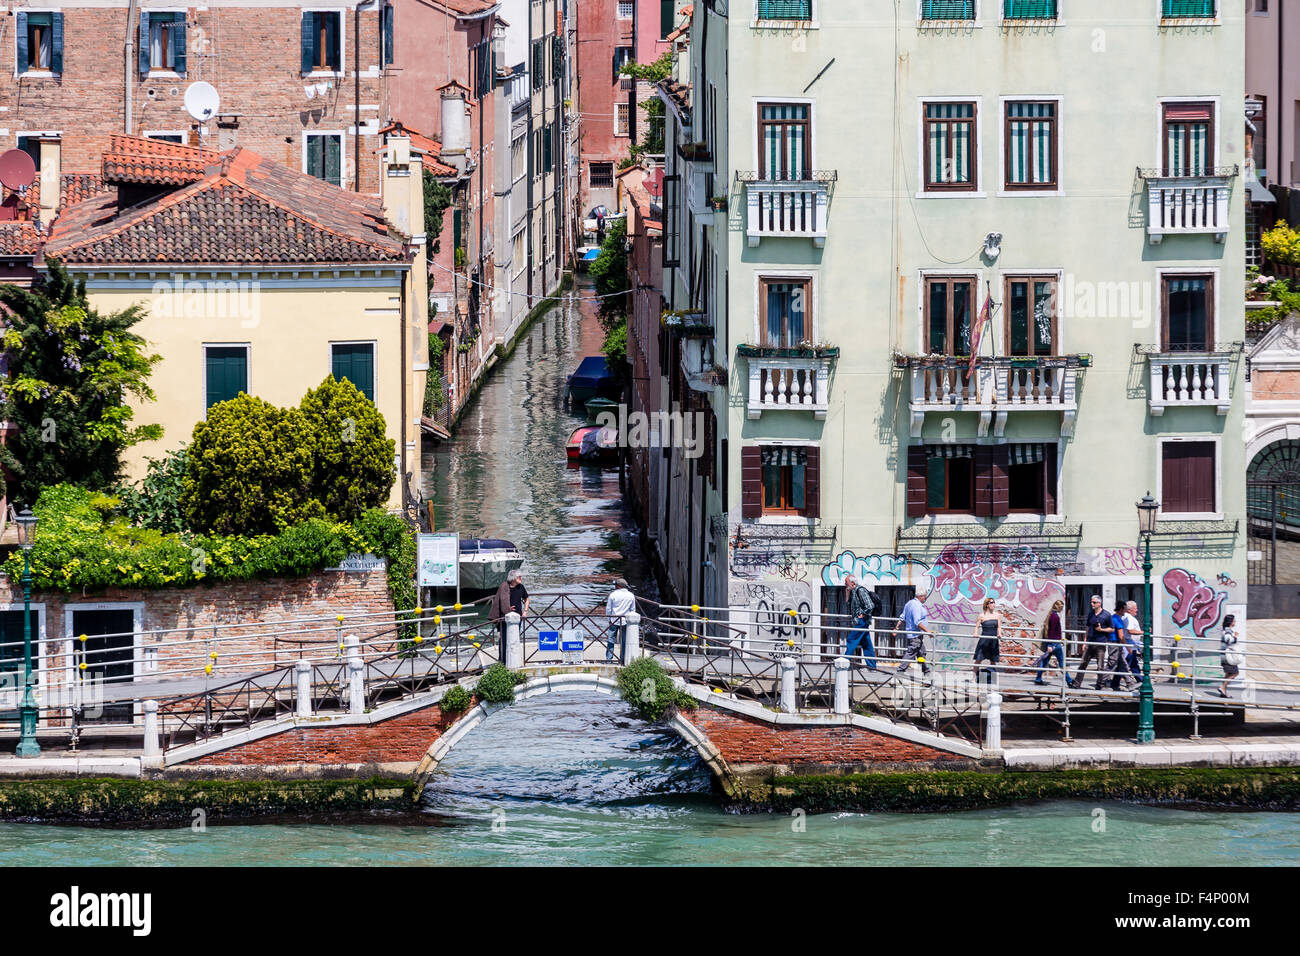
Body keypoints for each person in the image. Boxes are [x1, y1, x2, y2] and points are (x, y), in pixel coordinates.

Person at [1070, 595, 1115, 689]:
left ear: (1099, 603)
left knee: (1100, 666)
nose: (1092, 604)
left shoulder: (1106, 614)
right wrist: (1084, 642)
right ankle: (1076, 684)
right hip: (1090, 642)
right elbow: (1087, 627)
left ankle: (1099, 685)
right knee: (1083, 664)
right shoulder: (1091, 613)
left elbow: (1112, 629)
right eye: (1091, 602)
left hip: (1100, 643)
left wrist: (1101, 629)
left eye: (1094, 602)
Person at [843, 575, 881, 671]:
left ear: (852, 583)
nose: (845, 584)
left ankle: (844, 663)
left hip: (862, 621)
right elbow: (848, 604)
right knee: (866, 644)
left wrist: (863, 614)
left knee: (851, 640)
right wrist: (847, 593)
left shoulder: (860, 590)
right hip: (860, 621)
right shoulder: (853, 591)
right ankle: (871, 667)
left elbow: (870, 605)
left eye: (846, 582)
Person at [893, 586, 933, 677]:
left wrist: (896, 628)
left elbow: (902, 617)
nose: (925, 599)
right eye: (925, 597)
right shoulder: (917, 606)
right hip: (915, 634)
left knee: (921, 652)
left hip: (914, 635)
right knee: (911, 652)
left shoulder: (909, 603)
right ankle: (900, 671)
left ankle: (926, 670)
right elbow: (917, 622)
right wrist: (928, 632)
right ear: (921, 596)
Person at [488, 569, 530, 654]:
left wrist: (525, 611)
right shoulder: (504, 587)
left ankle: (513, 656)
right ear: (513, 578)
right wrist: (507, 608)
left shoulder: (521, 587)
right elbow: (501, 601)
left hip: (518, 618)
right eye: (519, 577)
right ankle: (502, 659)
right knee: (503, 639)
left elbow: (527, 599)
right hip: (504, 617)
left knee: (515, 638)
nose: (521, 578)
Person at [1032, 599, 1068, 685]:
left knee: (1044, 662)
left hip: (1052, 643)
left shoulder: (1051, 615)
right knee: (1062, 663)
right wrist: (1051, 644)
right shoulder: (1055, 617)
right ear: (1059, 607)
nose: (1062, 610)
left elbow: (1050, 631)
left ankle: (1038, 679)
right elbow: (1052, 631)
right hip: (1055, 644)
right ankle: (1069, 681)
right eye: (1062, 608)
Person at [604, 578, 637, 663]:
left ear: (618, 586)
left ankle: (609, 660)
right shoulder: (631, 595)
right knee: (624, 641)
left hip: (614, 620)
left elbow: (608, 609)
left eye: (615, 585)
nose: (615, 586)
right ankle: (622, 660)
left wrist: (609, 619)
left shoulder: (613, 595)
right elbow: (633, 610)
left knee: (610, 641)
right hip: (625, 621)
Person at [972, 597, 1001, 686]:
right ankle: (973, 679)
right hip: (984, 639)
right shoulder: (982, 615)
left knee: (993, 660)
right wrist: (975, 633)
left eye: (994, 602)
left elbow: (999, 626)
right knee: (978, 659)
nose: (993, 604)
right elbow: (976, 626)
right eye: (991, 603)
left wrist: (999, 634)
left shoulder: (997, 615)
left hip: (993, 640)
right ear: (987, 605)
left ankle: (993, 680)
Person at [1217, 614, 1242, 698]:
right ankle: (1222, 687)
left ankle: (1223, 692)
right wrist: (1235, 637)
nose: (1235, 622)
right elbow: (1228, 640)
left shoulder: (1226, 630)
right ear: (1230, 622)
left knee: (1228, 673)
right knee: (1235, 673)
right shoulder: (1228, 631)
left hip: (1225, 656)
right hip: (1228, 657)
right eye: (1234, 621)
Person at [1122, 600, 1145, 691]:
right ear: (1129, 609)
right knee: (1126, 664)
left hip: (1132, 645)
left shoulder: (1128, 617)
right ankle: (1111, 682)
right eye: (1135, 608)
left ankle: (1141, 681)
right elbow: (1130, 630)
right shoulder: (1129, 618)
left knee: (1133, 664)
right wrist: (1143, 632)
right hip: (1129, 645)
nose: (1137, 610)